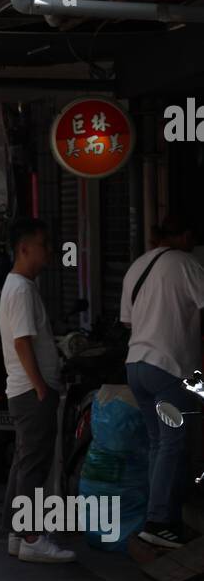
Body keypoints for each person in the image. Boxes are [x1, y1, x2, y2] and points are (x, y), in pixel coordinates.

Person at [121, 213, 204, 548]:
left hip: (136, 366)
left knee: (159, 444)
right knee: (171, 443)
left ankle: (156, 519)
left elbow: (127, 321)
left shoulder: (137, 266)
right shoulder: (185, 264)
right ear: (182, 237)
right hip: (167, 367)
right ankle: (158, 522)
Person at [0, 218, 75, 564]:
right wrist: (41, 386)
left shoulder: (18, 286)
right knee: (34, 464)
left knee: (25, 461)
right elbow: (22, 342)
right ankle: (31, 536)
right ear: (24, 248)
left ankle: (20, 533)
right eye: (43, 245)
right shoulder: (21, 289)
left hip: (26, 390)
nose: (49, 253)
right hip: (32, 391)